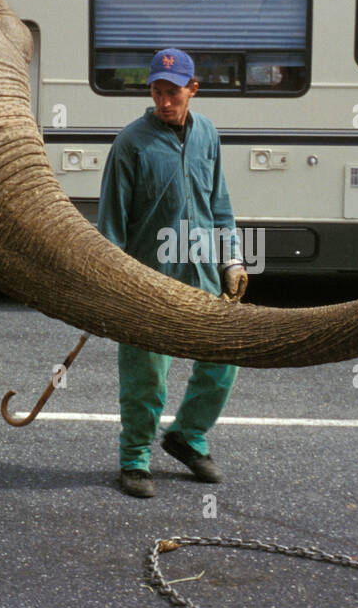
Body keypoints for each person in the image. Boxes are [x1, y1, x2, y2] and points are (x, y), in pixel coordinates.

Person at [97, 47, 249, 498]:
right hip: (148, 279)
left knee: (224, 359)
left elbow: (219, 205)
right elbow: (111, 224)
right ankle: (135, 458)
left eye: (173, 92)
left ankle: (188, 436)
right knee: (147, 375)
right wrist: (113, 284)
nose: (164, 101)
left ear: (193, 89)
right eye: (157, 91)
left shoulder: (208, 135)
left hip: (203, 272)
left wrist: (233, 259)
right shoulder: (131, 142)